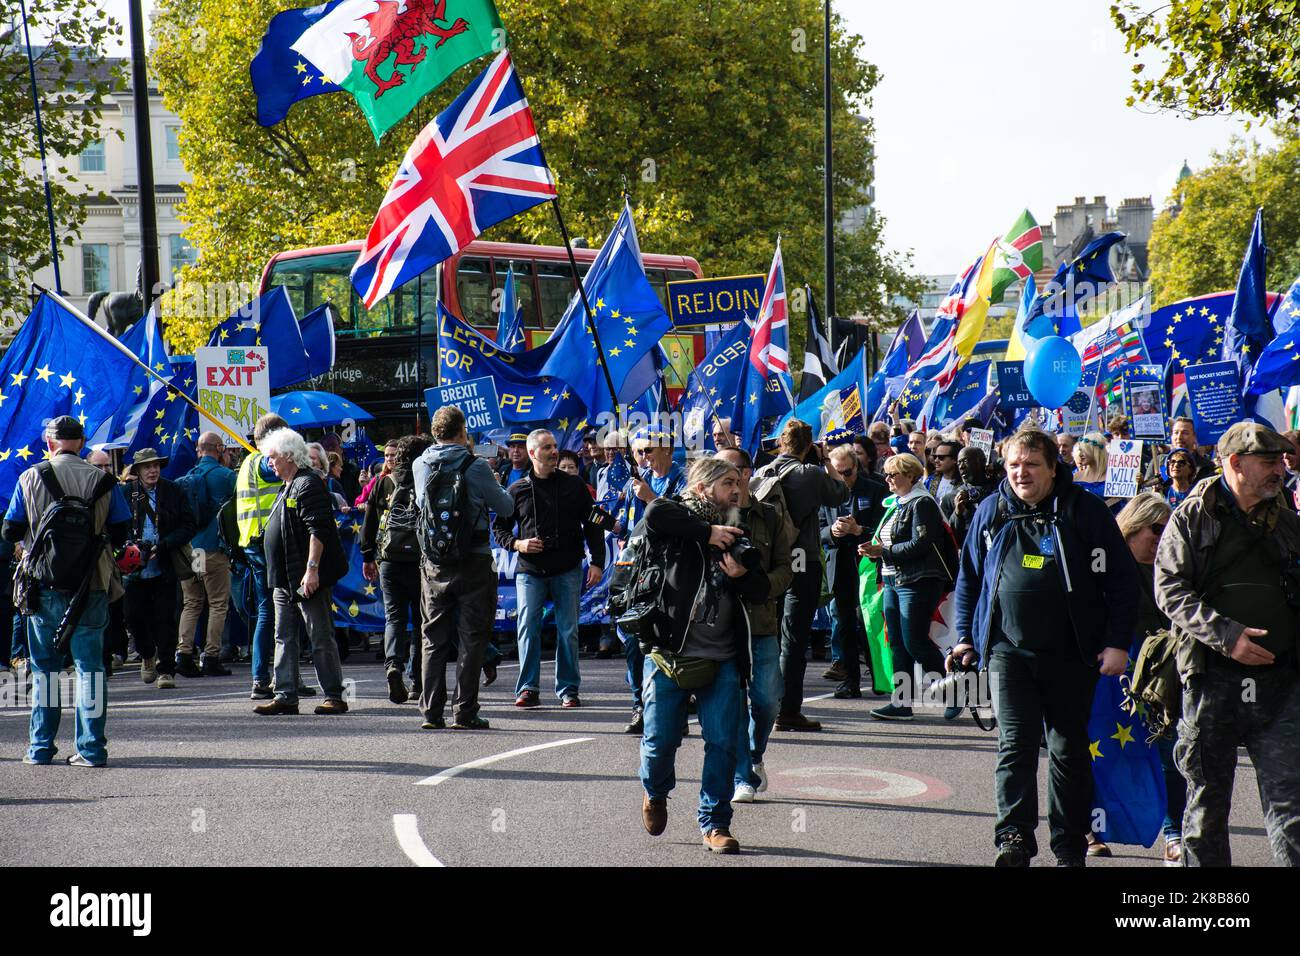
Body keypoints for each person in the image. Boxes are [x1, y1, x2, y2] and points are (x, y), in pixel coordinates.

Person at [950, 429, 1138, 867]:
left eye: (1032, 464)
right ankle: (1013, 839)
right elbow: (969, 578)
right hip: (1007, 653)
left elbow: (1121, 581)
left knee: (1067, 750)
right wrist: (964, 637)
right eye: (1014, 465)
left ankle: (1069, 846)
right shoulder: (991, 510)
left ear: (1054, 468)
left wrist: (1116, 643)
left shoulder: (1084, 511)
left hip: (1073, 655)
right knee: (1014, 746)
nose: (1022, 473)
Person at [1154, 422, 1300, 866]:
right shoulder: (1193, 517)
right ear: (1235, 463)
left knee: (1292, 806)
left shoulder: (1286, 519)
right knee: (1206, 807)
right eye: (1269, 461)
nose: (1280, 469)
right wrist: (1227, 635)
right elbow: (1169, 589)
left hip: (1281, 683)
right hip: (1212, 681)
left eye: (1281, 460)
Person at [637, 457, 770, 854]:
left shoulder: (739, 530)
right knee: (660, 742)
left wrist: (742, 576)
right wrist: (708, 532)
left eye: (738, 482)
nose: (737, 489)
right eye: (728, 482)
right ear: (702, 487)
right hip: (669, 654)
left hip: (723, 657)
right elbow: (654, 512)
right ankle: (655, 792)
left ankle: (715, 823)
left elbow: (762, 590)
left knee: (723, 743)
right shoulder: (675, 519)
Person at [5, 416, 131, 767]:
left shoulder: (30, 478)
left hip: (41, 586)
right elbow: (122, 532)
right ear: (82, 443)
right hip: (92, 584)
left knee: (45, 670)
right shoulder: (104, 481)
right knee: (90, 669)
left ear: (49, 443)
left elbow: (10, 530)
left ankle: (41, 747)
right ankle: (91, 749)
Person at [413, 408, 516, 729]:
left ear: (435, 433)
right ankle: (464, 710)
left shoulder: (420, 464)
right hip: (474, 558)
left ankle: (431, 712)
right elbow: (505, 507)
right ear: (461, 432)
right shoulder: (477, 465)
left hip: (434, 562)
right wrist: (495, 486)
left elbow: (420, 506)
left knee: (433, 637)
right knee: (472, 636)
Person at [493, 429, 605, 709]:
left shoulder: (574, 485)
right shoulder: (516, 489)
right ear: (532, 453)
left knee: (568, 630)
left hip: (568, 568)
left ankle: (568, 690)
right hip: (530, 571)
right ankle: (528, 688)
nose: (554, 451)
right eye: (547, 447)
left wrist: (597, 562)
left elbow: (593, 523)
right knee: (527, 628)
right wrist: (518, 543)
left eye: (555, 446)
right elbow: (499, 528)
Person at [757, 419, 850, 733]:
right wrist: (825, 461)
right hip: (801, 560)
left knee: (768, 636)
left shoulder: (763, 472)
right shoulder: (809, 473)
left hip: (770, 561)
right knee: (794, 640)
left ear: (781, 443)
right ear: (809, 445)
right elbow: (840, 493)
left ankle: (763, 703)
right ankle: (788, 710)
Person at [714, 448, 794, 803]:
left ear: (746, 474)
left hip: (760, 621)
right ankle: (741, 775)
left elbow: (785, 569)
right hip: (719, 625)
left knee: (767, 701)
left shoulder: (770, 515)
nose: (726, 479)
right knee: (732, 702)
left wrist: (758, 586)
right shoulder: (707, 516)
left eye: (730, 470)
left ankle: (755, 754)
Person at [253, 428, 350, 716]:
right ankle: (285, 695)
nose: (269, 462)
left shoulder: (308, 484)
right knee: (283, 636)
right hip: (285, 577)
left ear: (288, 456)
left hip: (304, 576)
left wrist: (312, 570)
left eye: (272, 457)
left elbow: (318, 530)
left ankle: (334, 695)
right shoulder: (288, 485)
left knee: (319, 635)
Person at [1115, 492, 1186, 865]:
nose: (1161, 537)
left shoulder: (1174, 567)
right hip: (1115, 678)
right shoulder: (1107, 567)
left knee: (1168, 752)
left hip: (1162, 680)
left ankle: (1174, 832)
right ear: (1133, 526)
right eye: (1155, 529)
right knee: (1105, 753)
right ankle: (1092, 827)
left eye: (1167, 529)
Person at [859, 451, 953, 720]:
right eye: (886, 474)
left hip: (917, 581)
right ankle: (901, 703)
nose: (887, 479)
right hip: (893, 580)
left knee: (915, 642)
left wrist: (883, 552)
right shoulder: (898, 504)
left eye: (893, 474)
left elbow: (921, 543)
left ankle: (955, 689)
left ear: (911, 476)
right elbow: (890, 540)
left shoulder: (922, 503)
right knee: (898, 644)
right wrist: (871, 547)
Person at [615, 428, 686, 734]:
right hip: (639, 572)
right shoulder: (637, 481)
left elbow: (685, 520)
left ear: (667, 449)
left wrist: (652, 498)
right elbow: (627, 524)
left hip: (672, 570)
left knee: (670, 641)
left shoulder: (682, 479)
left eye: (649, 451)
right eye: (640, 452)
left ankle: (676, 709)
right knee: (633, 636)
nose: (644, 457)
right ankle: (640, 705)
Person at [361, 433, 432, 705]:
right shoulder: (426, 479)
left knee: (394, 618)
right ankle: (417, 681)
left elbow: (369, 522)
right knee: (421, 620)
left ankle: (393, 665)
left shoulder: (384, 482)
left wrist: (368, 555)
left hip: (389, 560)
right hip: (419, 560)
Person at [122, 448, 196, 688]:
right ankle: (147, 654)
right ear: (137, 470)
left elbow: (188, 525)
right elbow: (114, 526)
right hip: (133, 569)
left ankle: (166, 670)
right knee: (134, 617)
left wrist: (164, 545)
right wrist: (128, 547)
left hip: (165, 564)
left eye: (155, 466)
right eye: (147, 466)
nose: (152, 470)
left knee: (166, 619)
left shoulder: (173, 490)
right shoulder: (125, 493)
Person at [820, 445, 886, 699]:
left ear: (856, 467)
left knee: (870, 620)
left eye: (847, 472)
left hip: (868, 564)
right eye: (837, 473)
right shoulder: (826, 493)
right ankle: (850, 680)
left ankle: (880, 675)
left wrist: (859, 530)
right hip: (840, 565)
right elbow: (817, 528)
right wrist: (832, 532)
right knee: (845, 624)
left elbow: (885, 528)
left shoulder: (875, 489)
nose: (843, 478)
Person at [235, 413, 288, 701]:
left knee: (273, 610)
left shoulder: (247, 462)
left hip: (255, 542)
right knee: (271, 611)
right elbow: (277, 470)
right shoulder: (262, 462)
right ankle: (263, 678)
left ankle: (282, 676)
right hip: (265, 544)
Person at [178, 432, 237, 678]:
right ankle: (211, 656)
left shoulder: (186, 478)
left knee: (192, 603)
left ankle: (183, 653)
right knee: (218, 604)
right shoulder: (226, 476)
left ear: (199, 450)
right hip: (214, 548)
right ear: (219, 449)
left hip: (191, 551)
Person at [941, 446, 999, 547]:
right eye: (959, 463)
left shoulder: (1000, 489)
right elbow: (948, 540)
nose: (961, 467)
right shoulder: (951, 498)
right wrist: (957, 514)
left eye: (965, 461)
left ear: (982, 461)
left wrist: (997, 465)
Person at [355, 440, 398, 508]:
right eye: (386, 455)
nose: (389, 459)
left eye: (393, 455)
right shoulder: (379, 477)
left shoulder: (408, 475)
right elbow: (359, 501)